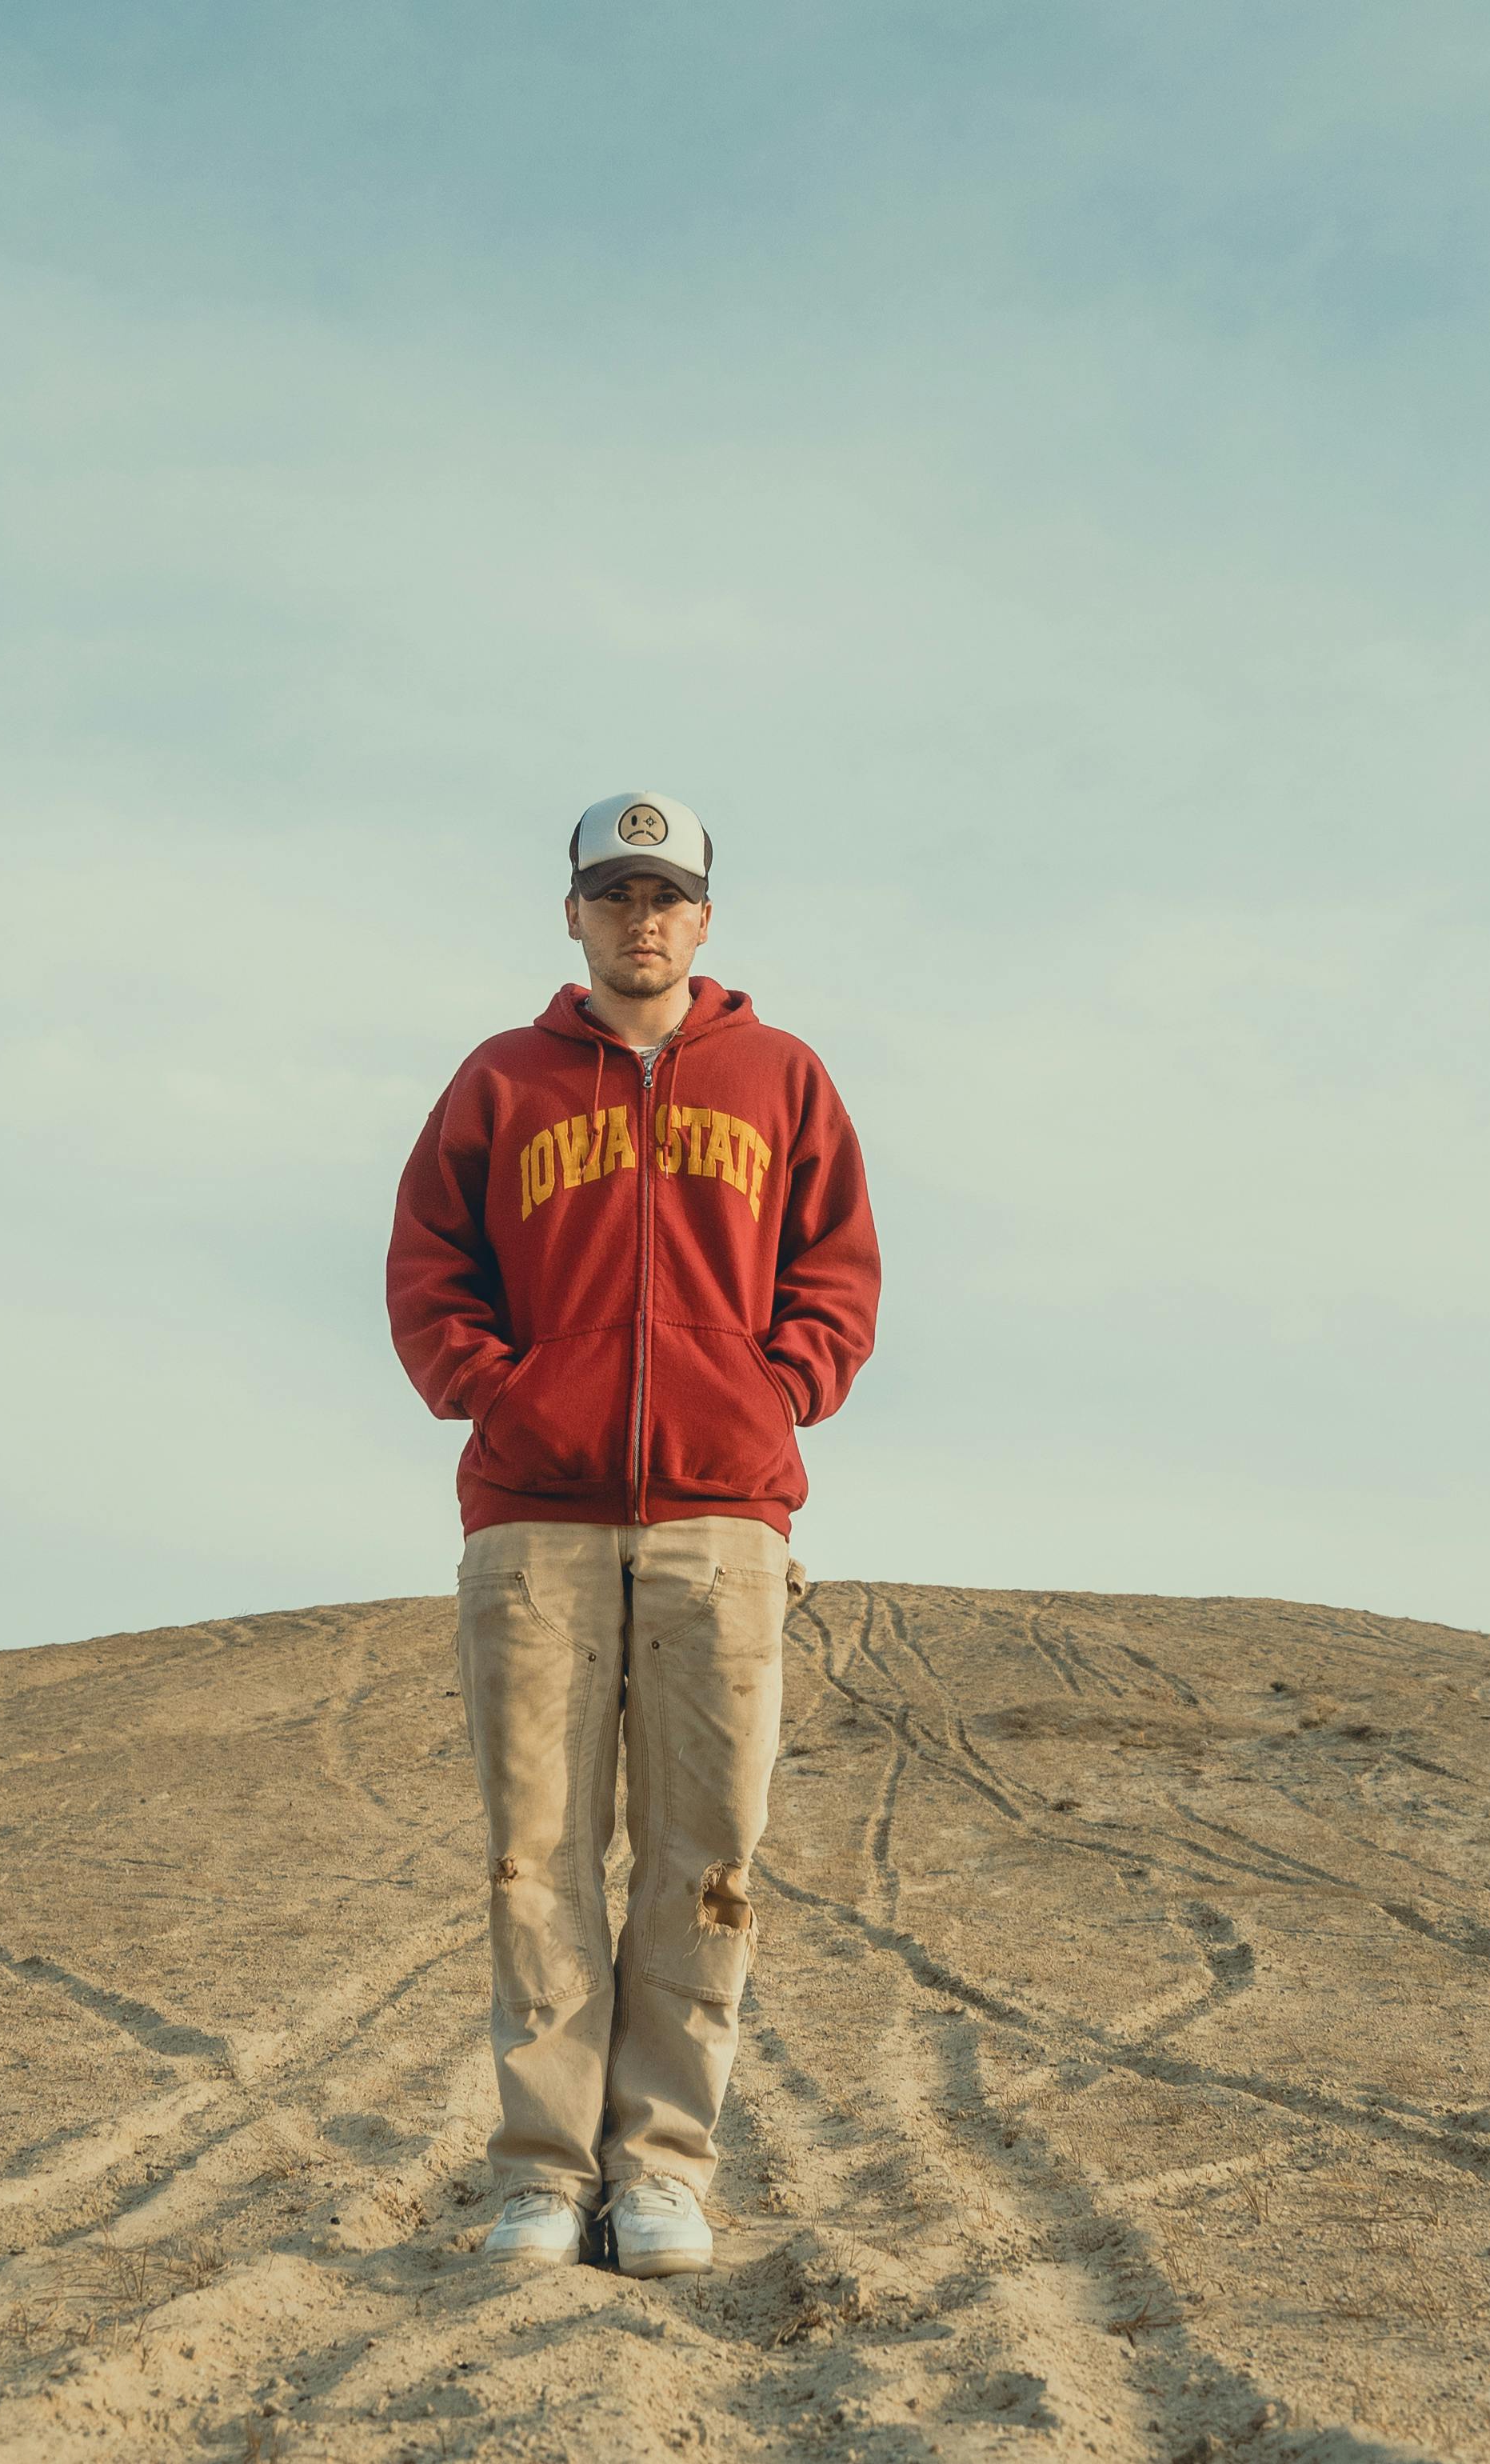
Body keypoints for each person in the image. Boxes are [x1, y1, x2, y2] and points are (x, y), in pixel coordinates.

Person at [385, 792, 880, 2277]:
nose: (641, 919)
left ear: (706, 917)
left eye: (666, 895)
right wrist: (506, 1397)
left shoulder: (782, 1079)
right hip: (534, 1527)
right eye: (614, 894)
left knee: (706, 1852)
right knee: (537, 1856)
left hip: (721, 1523)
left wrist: (766, 1403)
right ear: (574, 915)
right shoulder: (502, 1081)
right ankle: (542, 2175)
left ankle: (661, 2167)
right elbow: (427, 1272)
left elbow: (839, 1279)